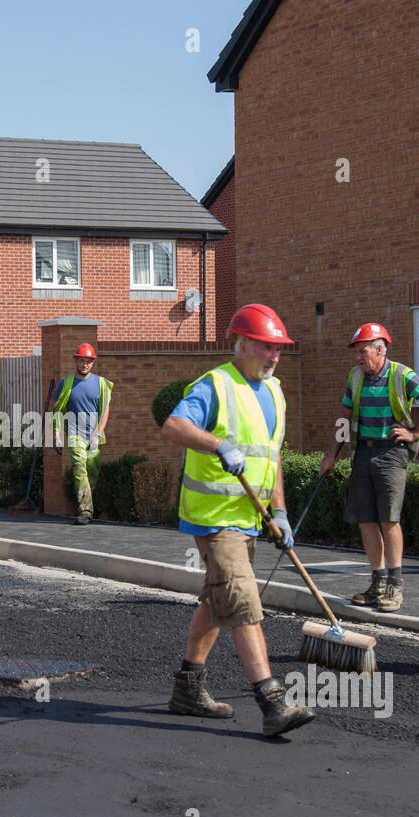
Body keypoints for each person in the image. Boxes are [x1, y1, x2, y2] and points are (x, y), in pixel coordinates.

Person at [161, 304, 314, 737]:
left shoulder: (275, 392)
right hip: (214, 520)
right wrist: (217, 444)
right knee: (244, 602)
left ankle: (188, 689)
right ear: (242, 343)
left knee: (216, 603)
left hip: (249, 519)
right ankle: (272, 702)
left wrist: (279, 511)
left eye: (279, 350)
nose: (274, 356)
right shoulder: (215, 385)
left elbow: (272, 457)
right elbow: (173, 426)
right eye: (267, 347)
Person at [319, 323, 419, 612]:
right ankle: (376, 584)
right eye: (356, 353)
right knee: (366, 520)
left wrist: (415, 434)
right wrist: (331, 455)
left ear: (380, 349)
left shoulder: (402, 374)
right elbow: (344, 419)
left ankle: (395, 586)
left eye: (362, 352)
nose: (358, 358)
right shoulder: (355, 377)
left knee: (389, 520)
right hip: (362, 452)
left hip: (392, 454)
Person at [50, 343, 112, 525]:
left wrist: (98, 434)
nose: (85, 364)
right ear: (76, 361)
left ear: (92, 363)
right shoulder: (66, 383)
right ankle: (85, 510)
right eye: (81, 361)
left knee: (92, 472)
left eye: (88, 361)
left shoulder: (102, 384)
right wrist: (56, 434)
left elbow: (105, 411)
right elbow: (57, 411)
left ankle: (88, 503)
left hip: (93, 434)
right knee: (79, 467)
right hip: (74, 434)